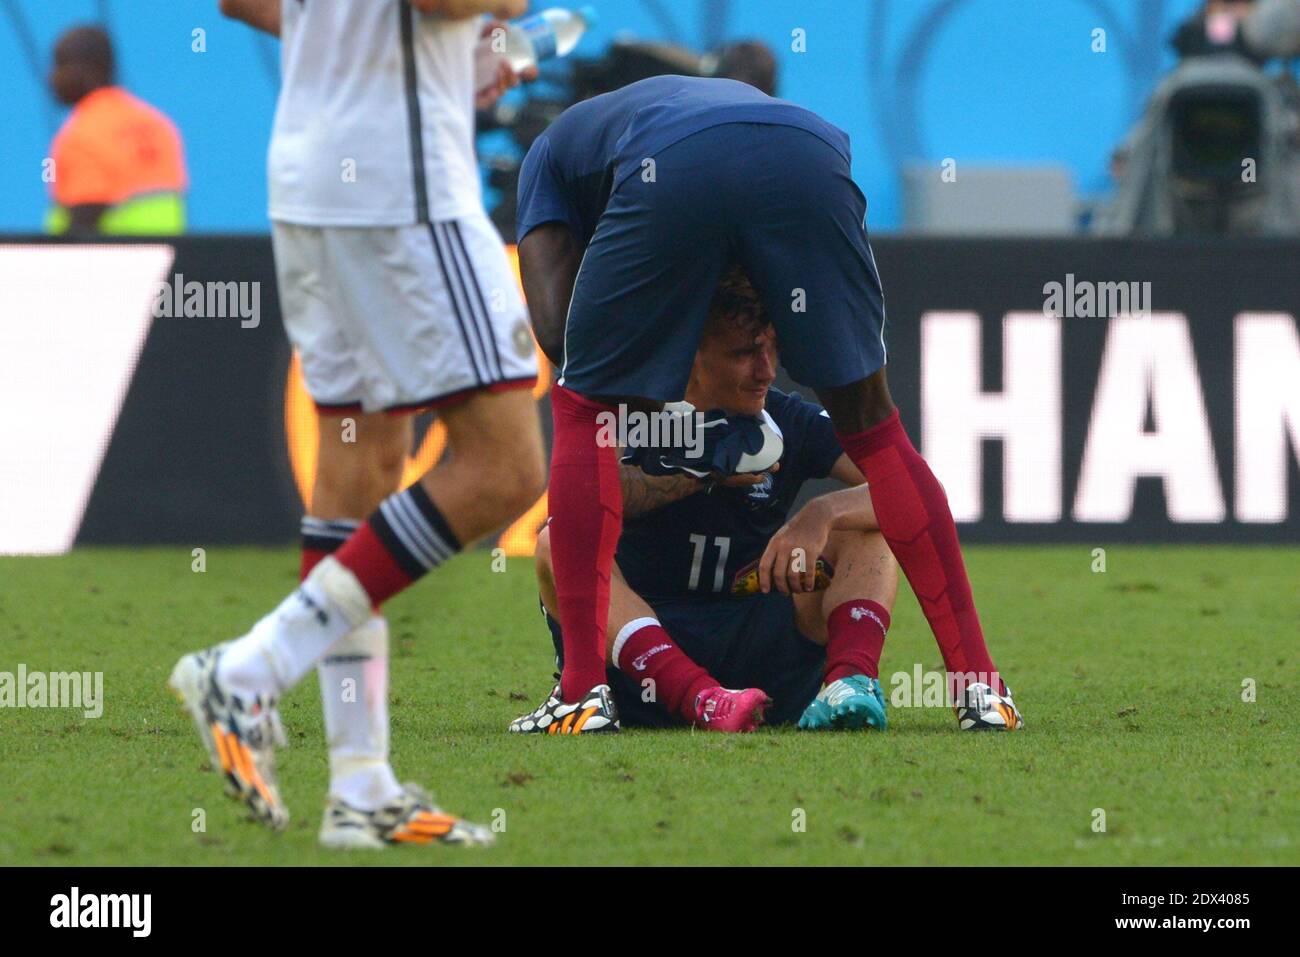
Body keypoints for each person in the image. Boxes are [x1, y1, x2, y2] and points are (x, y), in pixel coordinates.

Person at [513, 74, 1024, 735]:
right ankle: (981, 689)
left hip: (672, 167)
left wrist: (638, 353)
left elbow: (557, 337)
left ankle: (581, 693)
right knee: (876, 427)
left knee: (581, 402)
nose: (760, 364)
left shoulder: (550, 158)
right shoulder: (713, 115)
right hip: (812, 154)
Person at [170, 0, 541, 849]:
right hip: (400, 189)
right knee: (507, 468)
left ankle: (360, 784)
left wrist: (429, 57)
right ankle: (248, 669)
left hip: (314, 176)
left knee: (361, 466)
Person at [519, 269, 898, 733]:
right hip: (638, 665)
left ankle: (850, 682)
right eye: (744, 354)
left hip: (758, 651)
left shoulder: (787, 419)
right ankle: (700, 699)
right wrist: (696, 472)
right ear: (689, 352)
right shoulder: (635, 412)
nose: (766, 370)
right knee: (557, 540)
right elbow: (577, 500)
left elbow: (916, 493)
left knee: (869, 529)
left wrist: (822, 514)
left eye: (771, 348)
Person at [46, 25, 187, 235]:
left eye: (60, 66)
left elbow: (83, 219)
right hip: (169, 257)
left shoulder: (83, 133)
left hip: (110, 262)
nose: (52, 77)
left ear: (84, 70)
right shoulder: (158, 123)